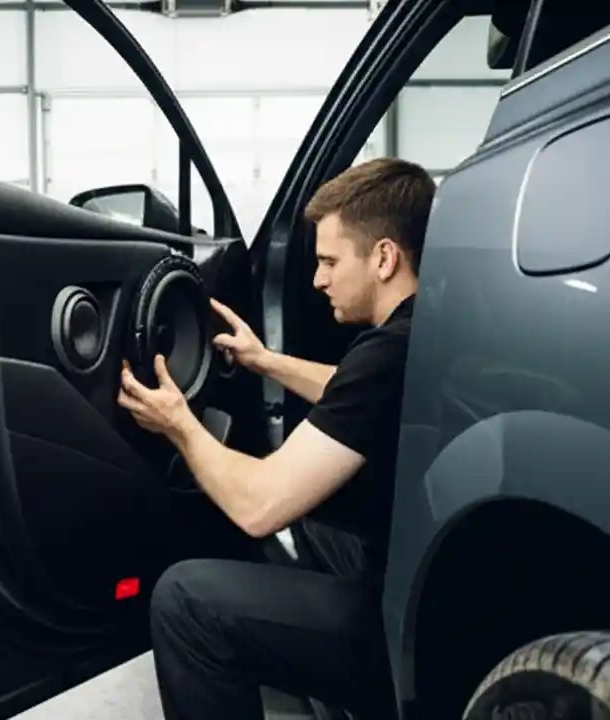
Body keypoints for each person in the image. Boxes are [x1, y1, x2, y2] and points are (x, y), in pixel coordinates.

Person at [117, 157, 435, 720]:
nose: (317, 279)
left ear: (384, 257)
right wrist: (266, 362)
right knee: (315, 514)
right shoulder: (427, 326)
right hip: (432, 591)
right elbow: (356, 394)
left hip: (406, 637)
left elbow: (258, 506)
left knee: (185, 599)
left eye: (330, 261)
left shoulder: (389, 350)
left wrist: (179, 426)